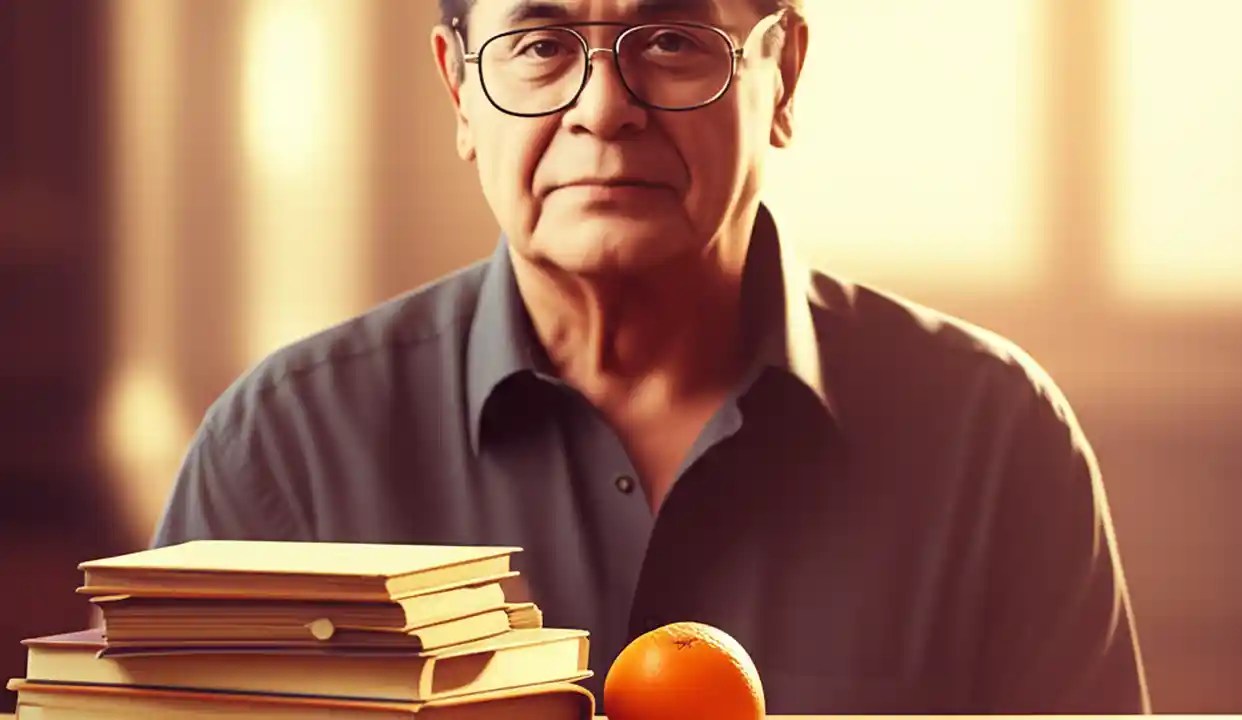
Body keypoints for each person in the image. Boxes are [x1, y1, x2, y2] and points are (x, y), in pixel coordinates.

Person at [153, 0, 1151, 713]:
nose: (602, 107)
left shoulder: (993, 439)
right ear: (458, 89)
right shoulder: (283, 453)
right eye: (539, 44)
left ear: (784, 75)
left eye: (672, 40)